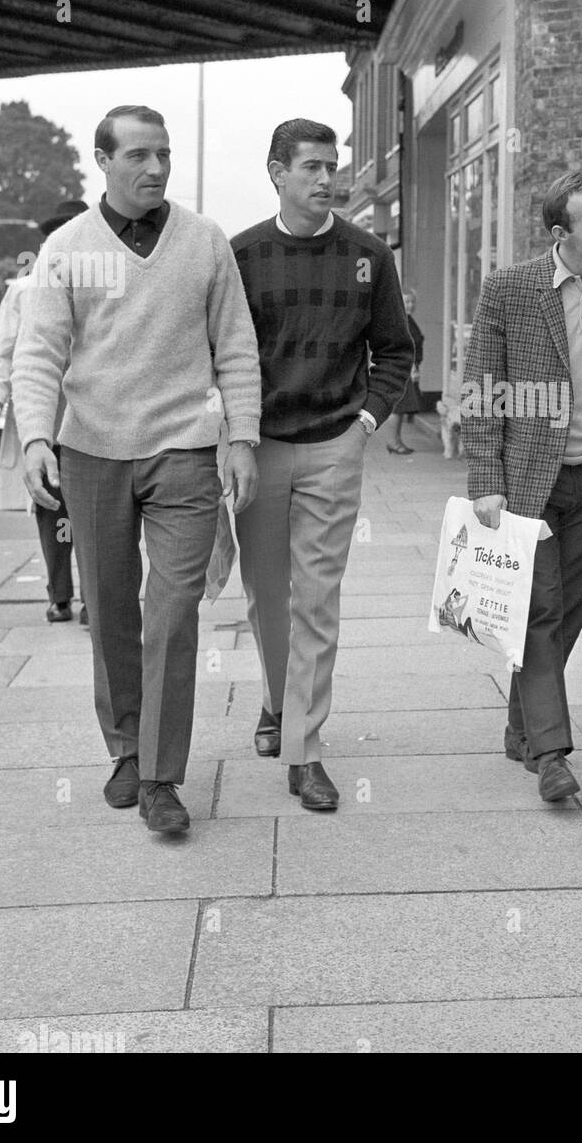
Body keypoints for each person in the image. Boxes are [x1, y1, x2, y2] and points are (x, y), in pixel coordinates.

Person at [13, 104, 261, 836]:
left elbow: (237, 348)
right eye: (139, 156)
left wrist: (240, 437)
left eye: (164, 155)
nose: (155, 168)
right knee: (112, 610)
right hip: (90, 452)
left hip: (184, 450)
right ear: (104, 161)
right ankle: (124, 746)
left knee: (173, 611)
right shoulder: (65, 249)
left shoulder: (204, 242)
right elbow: (38, 354)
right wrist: (35, 440)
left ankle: (159, 776)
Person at [231, 118, 412, 811]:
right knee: (266, 594)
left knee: (316, 599)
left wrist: (366, 423)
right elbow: (222, 351)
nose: (325, 177)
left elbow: (395, 349)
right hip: (261, 447)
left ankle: (305, 751)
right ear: (277, 171)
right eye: (309, 166)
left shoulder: (368, 253)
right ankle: (279, 699)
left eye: (331, 165)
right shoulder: (240, 254)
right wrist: (236, 435)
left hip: (334, 445)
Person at [464, 170, 582, 802]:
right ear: (559, 233)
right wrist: (485, 479)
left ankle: (522, 726)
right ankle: (551, 753)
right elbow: (482, 389)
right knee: (538, 608)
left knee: (567, 610)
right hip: (528, 479)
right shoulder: (510, 289)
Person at [0, 199, 88, 625]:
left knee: (100, 514)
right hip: (44, 423)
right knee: (51, 511)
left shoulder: (106, 282)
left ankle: (95, 599)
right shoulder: (23, 291)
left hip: (96, 419)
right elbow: (1, 352)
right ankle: (60, 596)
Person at [385, 288, 426, 454]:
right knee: (398, 407)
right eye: (406, 301)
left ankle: (396, 440)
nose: (410, 305)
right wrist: (411, 366)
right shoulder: (399, 321)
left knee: (401, 407)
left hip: (405, 368)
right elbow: (403, 346)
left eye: (412, 301)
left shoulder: (407, 319)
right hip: (402, 369)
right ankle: (393, 442)